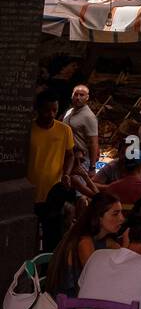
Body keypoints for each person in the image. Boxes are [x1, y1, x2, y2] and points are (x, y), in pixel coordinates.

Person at [45, 189, 126, 297]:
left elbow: (124, 267)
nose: (122, 219)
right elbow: (95, 282)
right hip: (68, 305)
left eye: (121, 213)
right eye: (115, 214)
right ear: (99, 217)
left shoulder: (104, 240)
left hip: (85, 298)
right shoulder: (84, 242)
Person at [28, 91, 75, 221]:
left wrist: (66, 174)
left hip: (53, 193)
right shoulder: (28, 130)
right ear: (38, 109)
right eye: (47, 111)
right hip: (30, 190)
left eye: (55, 110)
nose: (51, 114)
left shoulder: (65, 130)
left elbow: (70, 155)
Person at [63, 85, 100, 172]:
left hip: (81, 158)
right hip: (67, 155)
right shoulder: (69, 112)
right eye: (76, 94)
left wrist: (92, 167)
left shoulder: (89, 117)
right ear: (72, 95)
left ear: (87, 97)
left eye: (81, 95)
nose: (78, 98)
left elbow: (94, 142)